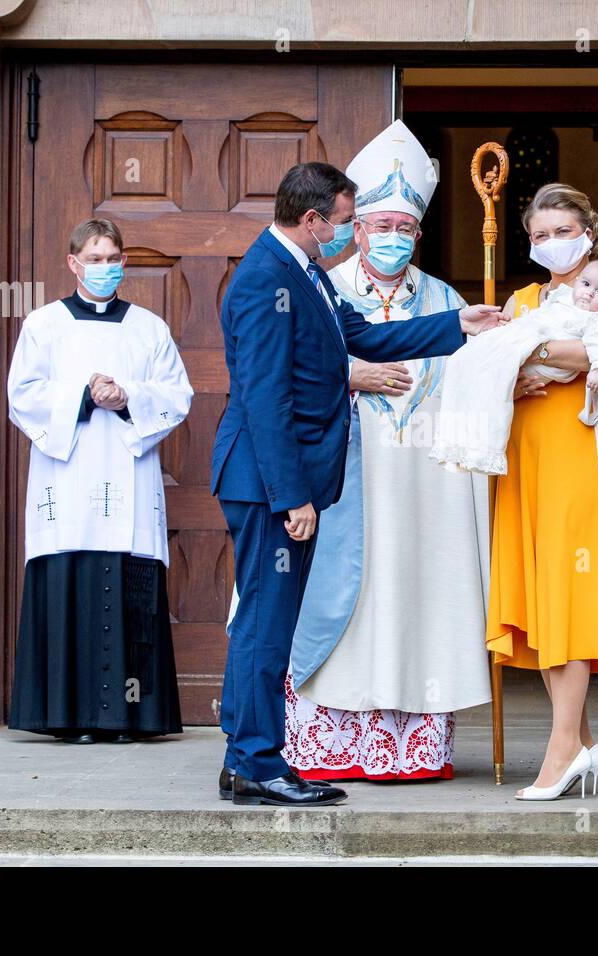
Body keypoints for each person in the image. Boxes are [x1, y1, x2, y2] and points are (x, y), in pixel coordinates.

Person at [210, 161, 502, 807]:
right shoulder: (265, 279)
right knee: (265, 622)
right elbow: (264, 398)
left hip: (275, 479)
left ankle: (244, 758)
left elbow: (365, 336)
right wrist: (294, 497)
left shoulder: (305, 271)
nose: (352, 237)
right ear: (312, 219)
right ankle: (259, 763)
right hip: (266, 483)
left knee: (266, 619)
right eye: (346, 223)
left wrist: (459, 326)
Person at [283, 121, 492, 783]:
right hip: (344, 479)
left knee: (415, 600)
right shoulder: (322, 289)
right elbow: (282, 369)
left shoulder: (447, 302)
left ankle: (410, 748)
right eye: (380, 225)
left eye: (406, 226)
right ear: (356, 227)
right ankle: (331, 745)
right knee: (344, 599)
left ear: (420, 233)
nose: (393, 237)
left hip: (425, 489)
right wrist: (349, 373)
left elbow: (474, 387)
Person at [488, 184, 598, 801]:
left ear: (589, 230)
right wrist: (509, 374)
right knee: (545, 599)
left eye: (563, 231)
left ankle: (561, 751)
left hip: (582, 458)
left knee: (572, 595)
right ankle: (578, 742)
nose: (552, 243)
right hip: (526, 458)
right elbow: (488, 368)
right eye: (539, 235)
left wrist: (522, 348)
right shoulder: (524, 297)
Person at [8, 217, 193, 744]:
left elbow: (176, 395)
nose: (105, 268)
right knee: (73, 584)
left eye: (113, 259)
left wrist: (128, 395)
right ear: (72, 263)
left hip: (128, 475)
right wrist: (85, 397)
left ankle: (130, 718)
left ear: (124, 263)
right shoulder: (43, 324)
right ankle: (69, 716)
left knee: (129, 587)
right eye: (94, 259)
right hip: (65, 482)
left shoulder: (148, 327)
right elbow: (23, 395)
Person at [434, 259, 598, 599]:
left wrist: (537, 351)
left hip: (578, 440)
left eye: (563, 231)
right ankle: (460, 437)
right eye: (540, 234)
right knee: (468, 362)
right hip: (527, 443)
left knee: (574, 554)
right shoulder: (538, 300)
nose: (590, 294)